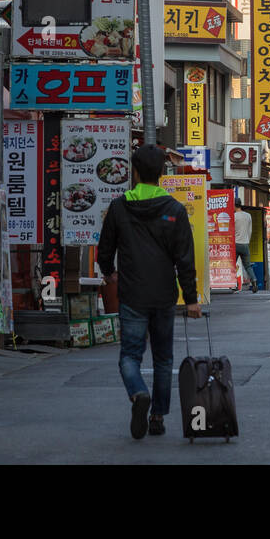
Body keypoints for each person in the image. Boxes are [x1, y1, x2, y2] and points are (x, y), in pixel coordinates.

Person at [97, 146, 200, 440]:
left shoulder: (119, 206)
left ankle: (138, 393)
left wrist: (108, 272)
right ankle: (157, 417)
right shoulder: (174, 209)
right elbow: (185, 258)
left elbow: (106, 248)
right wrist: (191, 299)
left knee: (130, 355)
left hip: (132, 294)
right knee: (163, 359)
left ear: (136, 172)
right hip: (164, 295)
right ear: (162, 174)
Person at [234, 205, 258, 292]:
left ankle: (234, 283)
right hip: (245, 244)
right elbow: (250, 230)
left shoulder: (234, 216)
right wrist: (247, 240)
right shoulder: (248, 215)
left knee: (232, 265)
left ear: (234, 206)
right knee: (247, 266)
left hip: (236, 244)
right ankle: (254, 281)